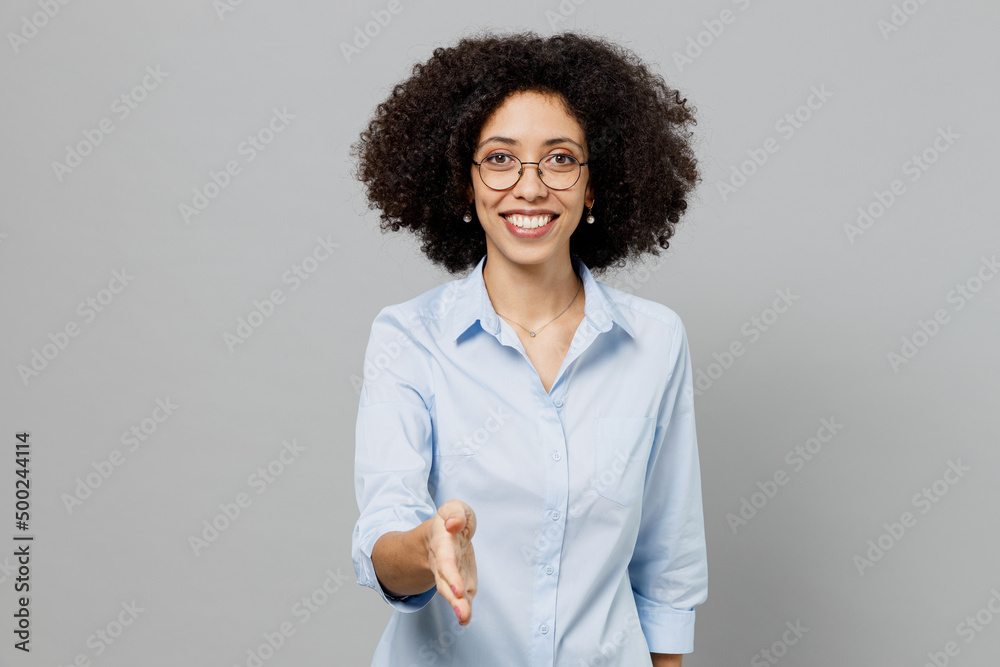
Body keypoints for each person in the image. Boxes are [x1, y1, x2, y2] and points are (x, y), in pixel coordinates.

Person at [350, 30, 707, 667]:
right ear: (465, 185)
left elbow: (668, 566)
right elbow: (384, 540)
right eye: (499, 158)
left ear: (596, 185)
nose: (531, 187)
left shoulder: (656, 342)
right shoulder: (408, 338)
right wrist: (430, 546)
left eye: (561, 158)